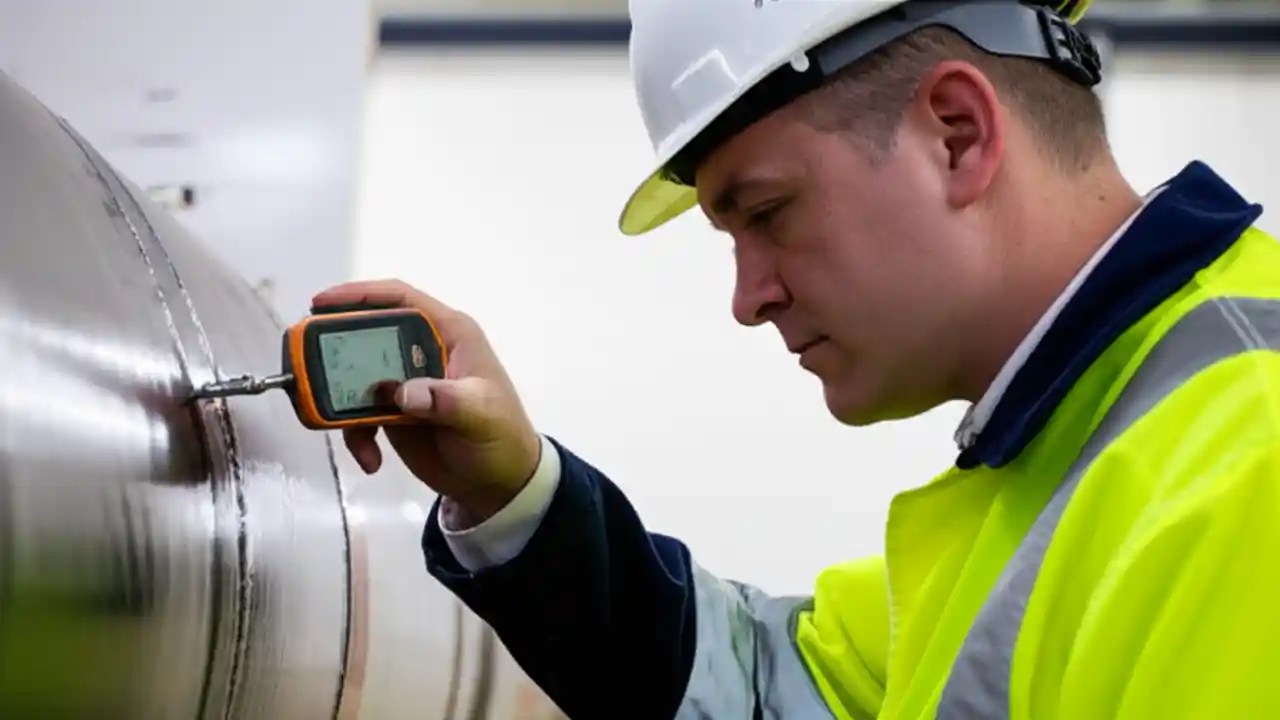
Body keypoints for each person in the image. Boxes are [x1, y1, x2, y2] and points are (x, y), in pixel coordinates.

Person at [316, 0, 1280, 717]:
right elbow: (768, 694)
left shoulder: (1247, 469)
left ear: (959, 133)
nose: (748, 298)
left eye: (768, 214)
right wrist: (516, 497)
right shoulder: (1057, 466)